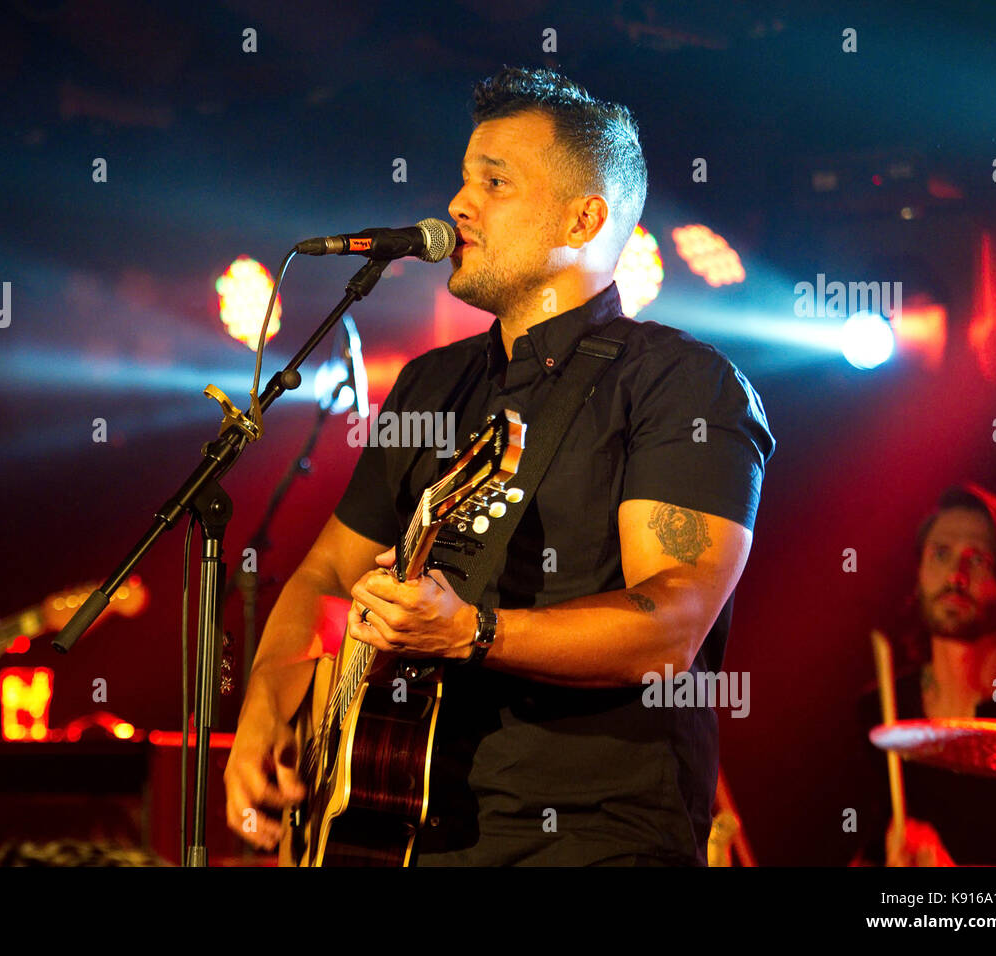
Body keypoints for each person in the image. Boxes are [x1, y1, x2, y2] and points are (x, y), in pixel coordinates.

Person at [223, 67, 775, 866]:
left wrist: (476, 631)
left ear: (584, 217)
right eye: (462, 178)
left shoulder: (682, 384)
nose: (458, 203)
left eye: (494, 181)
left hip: (590, 841)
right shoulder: (434, 383)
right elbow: (323, 577)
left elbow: (674, 624)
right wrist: (269, 703)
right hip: (401, 830)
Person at [852, 483, 996, 866]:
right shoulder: (880, 710)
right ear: (919, 572)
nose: (956, 576)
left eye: (978, 560)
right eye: (940, 554)